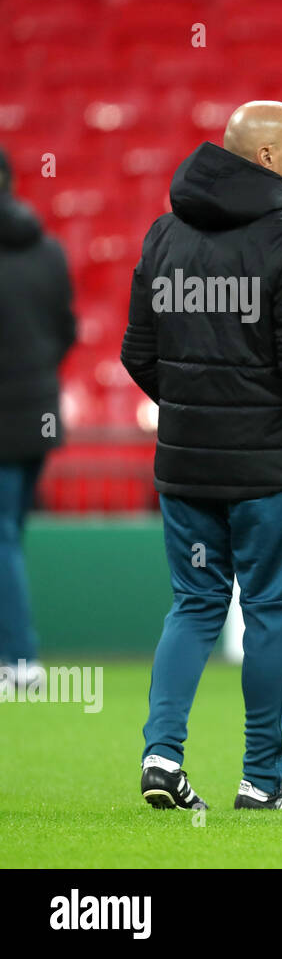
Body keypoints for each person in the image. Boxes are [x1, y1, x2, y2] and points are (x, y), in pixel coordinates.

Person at [121, 101, 282, 811]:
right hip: (265, 469)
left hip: (185, 466)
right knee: (268, 614)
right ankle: (262, 781)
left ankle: (161, 757)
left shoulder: (163, 235)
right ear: (265, 156)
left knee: (195, 605)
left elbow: (136, 353)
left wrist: (194, 410)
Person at [0, 147, 76, 693]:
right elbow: (66, 330)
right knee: (10, 531)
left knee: (1, 535)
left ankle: (20, 659)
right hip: (39, 413)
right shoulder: (47, 250)